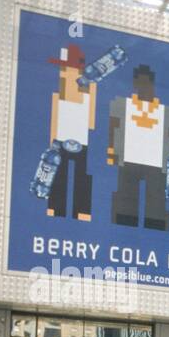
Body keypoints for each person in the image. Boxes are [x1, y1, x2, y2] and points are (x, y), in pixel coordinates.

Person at [107, 64, 169, 230]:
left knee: (156, 206)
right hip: (128, 160)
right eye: (139, 83)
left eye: (146, 84)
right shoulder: (123, 104)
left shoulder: (164, 110)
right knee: (126, 204)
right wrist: (112, 150)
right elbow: (114, 125)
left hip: (155, 163)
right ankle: (123, 230)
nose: (142, 88)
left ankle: (157, 234)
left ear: (152, 84)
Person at [45, 44, 95, 221]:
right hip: (61, 142)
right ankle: (57, 211)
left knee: (81, 179)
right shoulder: (59, 93)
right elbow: (54, 118)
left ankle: (80, 213)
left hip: (82, 143)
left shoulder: (89, 92)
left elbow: (92, 121)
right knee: (60, 177)